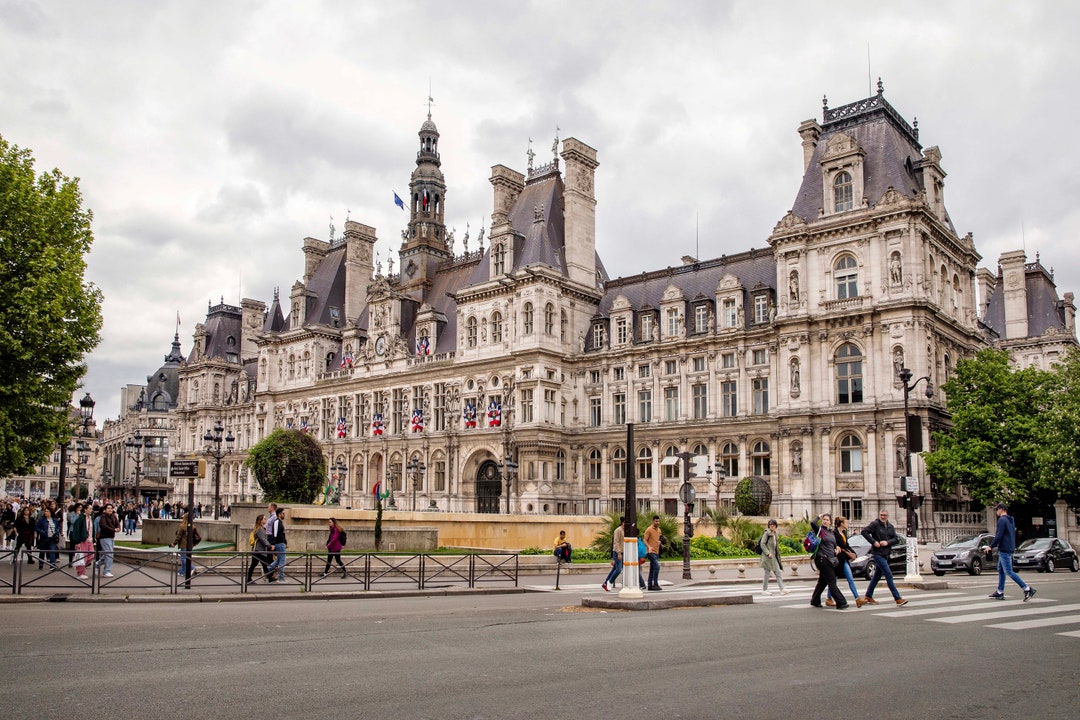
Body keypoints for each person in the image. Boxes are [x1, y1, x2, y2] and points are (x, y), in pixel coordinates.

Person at [985, 502, 1035, 601]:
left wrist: (990, 546)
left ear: (1001, 509)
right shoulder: (1010, 520)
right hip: (1009, 547)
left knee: (1008, 571)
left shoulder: (1002, 520)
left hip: (1004, 549)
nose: (996, 511)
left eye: (997, 509)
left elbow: (999, 535)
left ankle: (1027, 589)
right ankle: (1000, 591)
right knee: (1001, 569)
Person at [860, 509, 907, 606]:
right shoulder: (875, 524)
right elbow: (864, 532)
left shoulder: (890, 526)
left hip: (886, 554)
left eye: (884, 515)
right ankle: (897, 598)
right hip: (877, 553)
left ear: (888, 516)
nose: (883, 517)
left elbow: (896, 539)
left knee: (876, 576)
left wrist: (887, 542)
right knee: (888, 574)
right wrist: (874, 542)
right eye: (881, 515)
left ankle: (868, 595)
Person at [809, 514, 847, 609]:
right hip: (822, 559)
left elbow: (833, 544)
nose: (825, 521)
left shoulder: (831, 532)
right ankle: (841, 602)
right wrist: (819, 516)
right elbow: (812, 523)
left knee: (822, 581)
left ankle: (815, 600)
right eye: (824, 519)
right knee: (832, 580)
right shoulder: (820, 530)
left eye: (827, 520)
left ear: (830, 522)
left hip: (830, 559)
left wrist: (836, 548)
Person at [829, 516, 864, 607]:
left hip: (844, 559)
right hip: (837, 560)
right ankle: (829, 598)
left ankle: (857, 599)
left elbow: (846, 545)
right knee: (834, 580)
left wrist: (853, 553)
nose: (847, 524)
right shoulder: (834, 533)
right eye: (846, 522)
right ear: (841, 524)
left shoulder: (843, 532)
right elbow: (833, 545)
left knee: (850, 579)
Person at [758, 519, 788, 595]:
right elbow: (762, 544)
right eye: (770, 524)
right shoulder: (766, 533)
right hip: (767, 557)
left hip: (773, 557)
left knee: (777, 572)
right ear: (769, 525)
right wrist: (768, 553)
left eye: (773, 525)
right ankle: (764, 590)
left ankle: (782, 589)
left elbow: (775, 546)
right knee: (767, 573)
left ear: (776, 526)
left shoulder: (774, 534)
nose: (772, 526)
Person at [172, 513, 201, 577]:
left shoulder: (182, 526)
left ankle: (192, 567)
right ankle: (182, 572)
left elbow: (178, 537)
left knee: (183, 558)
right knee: (185, 558)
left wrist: (174, 543)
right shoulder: (193, 526)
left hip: (184, 544)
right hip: (190, 545)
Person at [246, 514, 272, 584]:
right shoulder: (259, 529)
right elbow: (263, 540)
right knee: (264, 564)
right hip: (258, 550)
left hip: (259, 550)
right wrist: (269, 546)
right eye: (264, 519)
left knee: (258, 565)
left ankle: (249, 579)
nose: (265, 520)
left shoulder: (261, 529)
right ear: (260, 520)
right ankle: (270, 578)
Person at [69, 503, 92, 580]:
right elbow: (77, 529)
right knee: (82, 556)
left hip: (89, 539)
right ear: (85, 510)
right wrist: (77, 541)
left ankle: (80, 567)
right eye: (89, 509)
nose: (91, 510)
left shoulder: (90, 518)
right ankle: (81, 572)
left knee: (91, 555)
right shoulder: (81, 518)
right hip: (82, 539)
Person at [602, 517, 625, 592]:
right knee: (618, 570)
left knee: (615, 569)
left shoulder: (625, 531)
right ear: (623, 523)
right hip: (618, 552)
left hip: (622, 552)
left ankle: (606, 583)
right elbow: (616, 542)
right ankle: (610, 582)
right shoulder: (618, 530)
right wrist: (618, 553)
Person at [98, 503, 120, 578]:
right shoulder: (103, 517)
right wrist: (113, 529)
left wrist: (118, 528)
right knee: (109, 554)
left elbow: (117, 523)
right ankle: (106, 571)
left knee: (108, 554)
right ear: (104, 510)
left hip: (111, 537)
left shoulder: (113, 516)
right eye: (108, 508)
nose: (110, 509)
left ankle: (97, 564)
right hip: (104, 537)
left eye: (111, 508)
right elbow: (104, 526)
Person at [644, 515, 663, 591]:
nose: (657, 523)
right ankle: (655, 584)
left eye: (658, 521)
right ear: (653, 521)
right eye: (656, 521)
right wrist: (649, 547)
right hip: (650, 552)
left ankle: (649, 585)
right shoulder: (649, 529)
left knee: (652, 568)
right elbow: (644, 540)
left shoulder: (659, 530)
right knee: (657, 567)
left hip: (656, 551)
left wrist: (660, 541)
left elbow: (660, 538)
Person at [269, 506, 288, 582]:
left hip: (281, 543)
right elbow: (275, 534)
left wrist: (285, 542)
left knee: (278, 561)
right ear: (279, 514)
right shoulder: (277, 522)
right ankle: (281, 578)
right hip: (279, 543)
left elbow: (282, 534)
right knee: (282, 561)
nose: (284, 515)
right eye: (283, 513)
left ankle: (267, 569)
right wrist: (273, 544)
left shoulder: (280, 522)